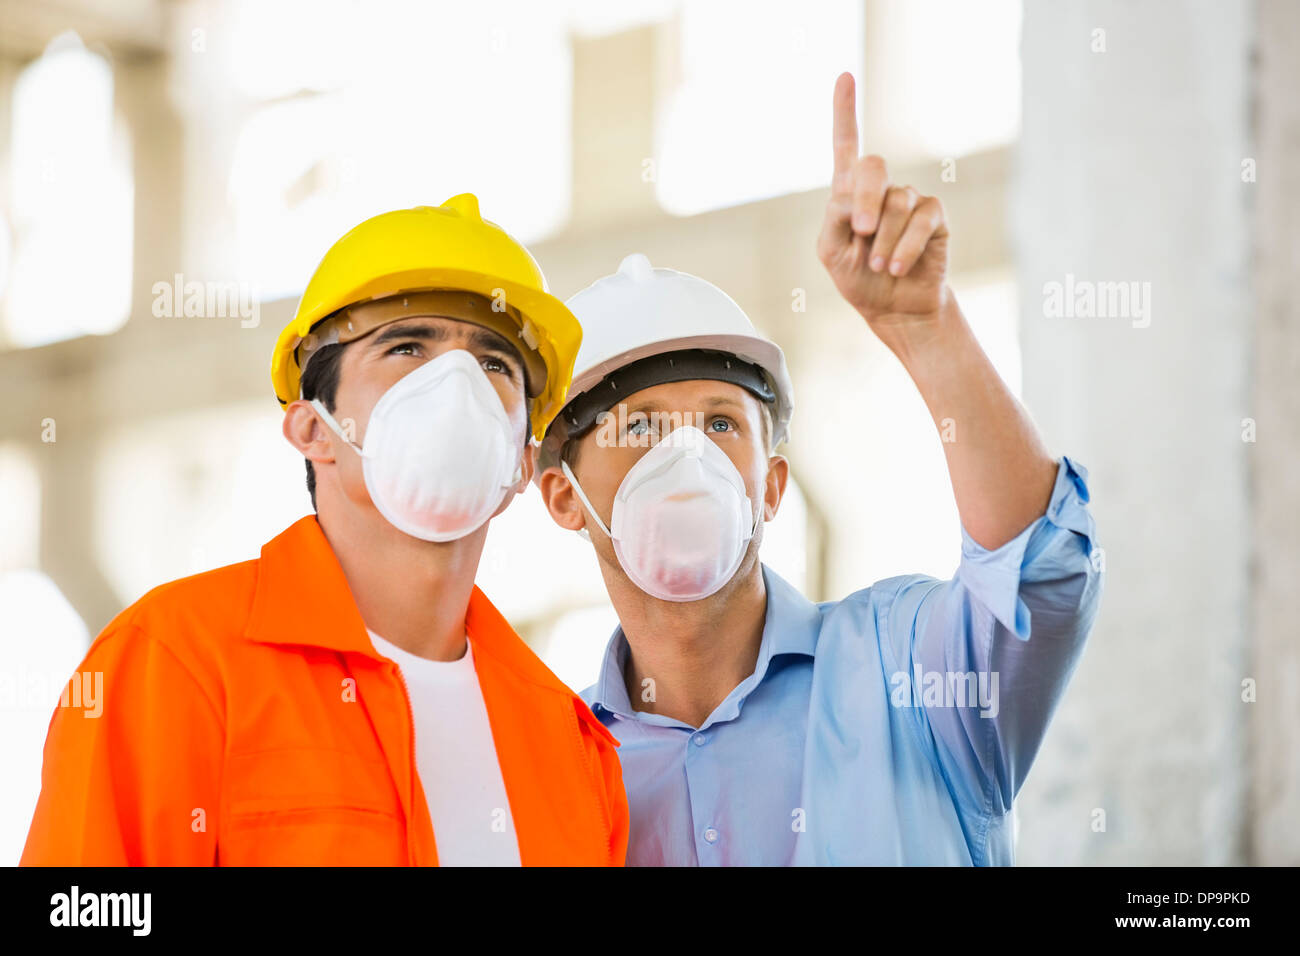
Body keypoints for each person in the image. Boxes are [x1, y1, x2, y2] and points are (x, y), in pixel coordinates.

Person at [536, 74, 1103, 865]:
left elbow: (1039, 573)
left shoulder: (907, 671)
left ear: (769, 488)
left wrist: (926, 327)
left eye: (722, 422)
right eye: (641, 425)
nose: (686, 454)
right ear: (563, 497)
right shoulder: (550, 777)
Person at [22, 194, 628, 866]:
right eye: (406, 346)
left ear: (520, 461)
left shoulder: (567, 742)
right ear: (314, 429)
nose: (458, 385)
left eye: (495, 362)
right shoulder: (175, 663)